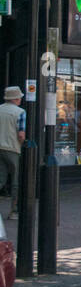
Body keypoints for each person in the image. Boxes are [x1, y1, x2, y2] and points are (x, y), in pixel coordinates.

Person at [0, 86, 25, 219]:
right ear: (16, 98)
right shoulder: (20, 112)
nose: (21, 99)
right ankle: (14, 211)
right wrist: (21, 145)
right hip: (12, 148)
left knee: (1, 178)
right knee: (16, 180)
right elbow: (21, 134)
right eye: (20, 97)